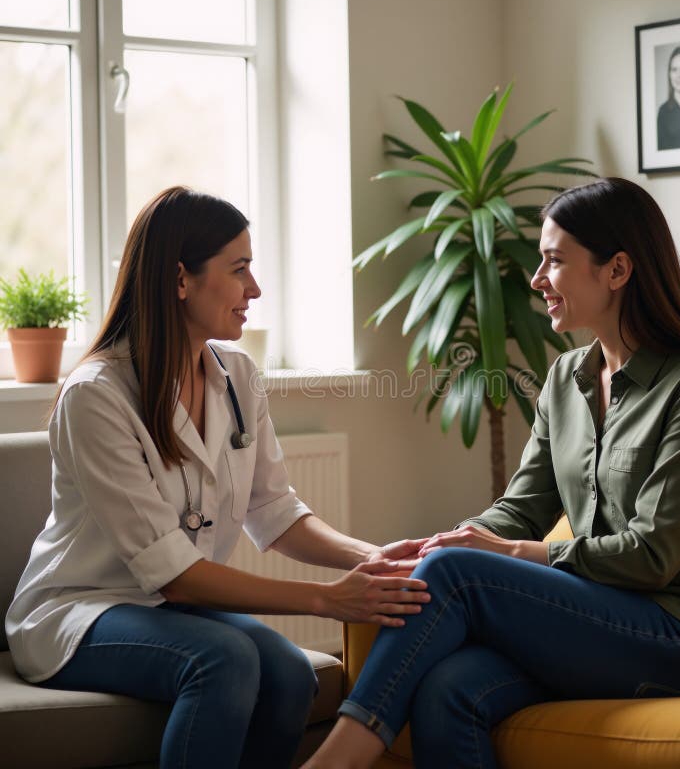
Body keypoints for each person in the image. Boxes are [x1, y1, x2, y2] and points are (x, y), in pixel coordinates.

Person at [302, 177, 680, 769]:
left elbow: (654, 556)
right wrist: (442, 543)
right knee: (449, 689)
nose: (537, 278)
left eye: (554, 261)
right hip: (599, 614)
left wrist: (511, 555)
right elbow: (521, 509)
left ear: (617, 270)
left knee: (457, 576)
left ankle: (331, 762)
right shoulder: (567, 378)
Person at [5, 186, 430, 769]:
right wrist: (327, 600)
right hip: (80, 612)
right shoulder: (96, 396)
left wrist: (371, 557)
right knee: (224, 661)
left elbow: (275, 512)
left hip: (166, 609)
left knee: (291, 675)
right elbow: (176, 576)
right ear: (180, 279)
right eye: (239, 269)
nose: (255, 289)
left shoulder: (237, 375)